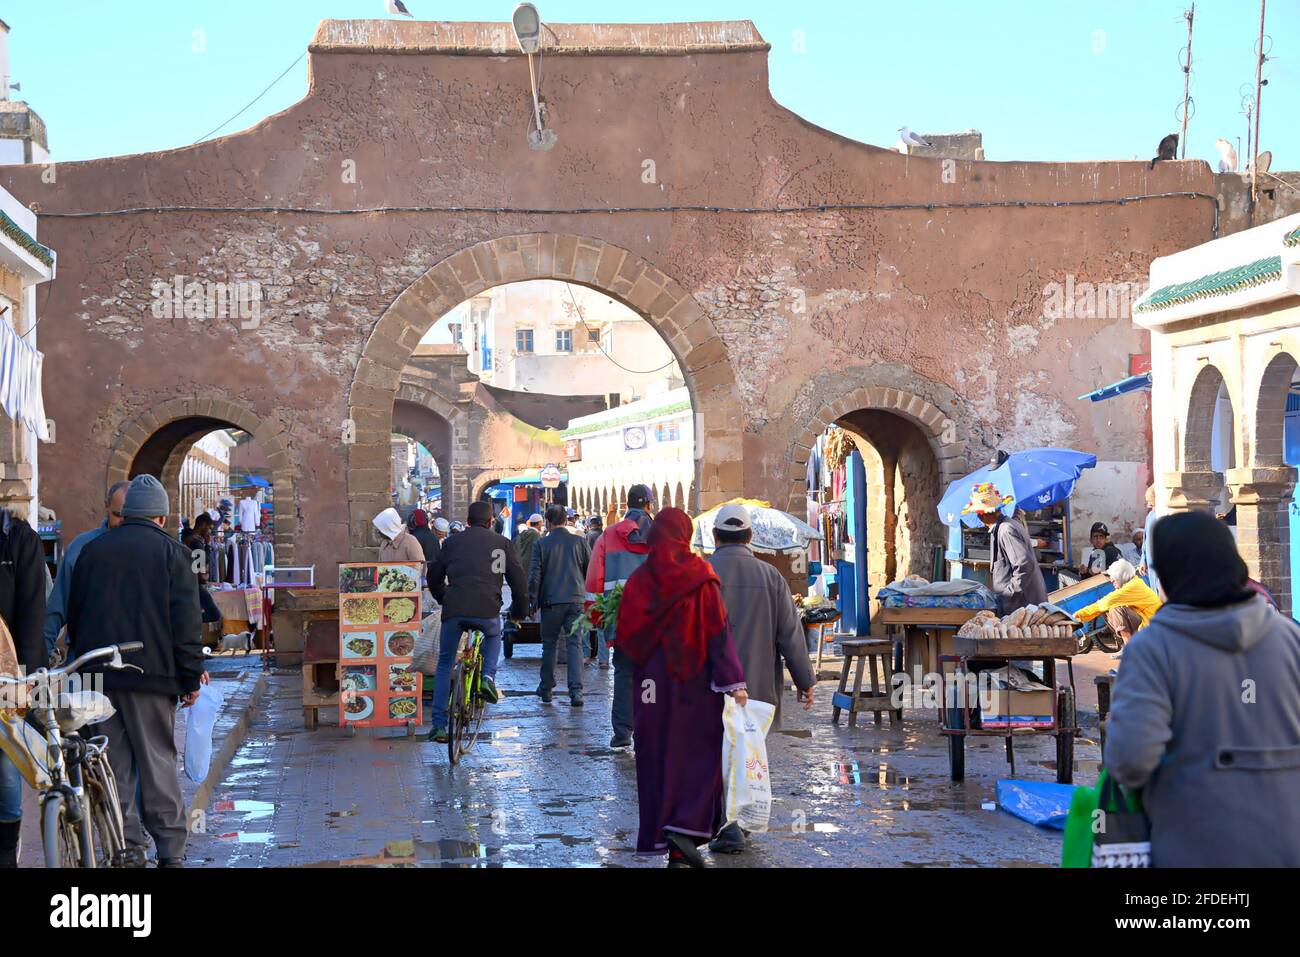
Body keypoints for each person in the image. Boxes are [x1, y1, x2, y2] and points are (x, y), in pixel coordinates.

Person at [1106, 510, 1300, 867]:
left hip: (1196, 843)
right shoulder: (1290, 637)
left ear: (1168, 574)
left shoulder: (1152, 650)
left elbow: (1130, 760)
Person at [65, 475, 204, 867]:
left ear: (125, 514)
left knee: (114, 768)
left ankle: (127, 848)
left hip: (97, 677)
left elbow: (75, 619)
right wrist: (190, 677)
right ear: (161, 516)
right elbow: (187, 626)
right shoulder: (174, 555)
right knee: (157, 761)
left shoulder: (92, 552)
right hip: (151, 678)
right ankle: (171, 852)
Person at [617, 508, 748, 867]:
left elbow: (625, 638)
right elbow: (718, 631)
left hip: (650, 689)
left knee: (658, 758)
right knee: (698, 757)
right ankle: (684, 832)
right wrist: (733, 680)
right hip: (695, 686)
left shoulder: (639, 582)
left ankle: (671, 842)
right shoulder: (701, 577)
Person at [705, 503, 815, 854]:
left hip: (709, 687)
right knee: (747, 753)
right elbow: (790, 635)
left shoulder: (702, 574)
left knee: (714, 755)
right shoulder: (771, 578)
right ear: (750, 537)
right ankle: (736, 823)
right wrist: (805, 680)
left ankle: (726, 822)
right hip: (757, 690)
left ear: (715, 536)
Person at [425, 501, 528, 743]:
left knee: (444, 665)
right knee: (494, 635)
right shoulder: (501, 545)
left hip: (455, 610)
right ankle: (487, 678)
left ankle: (439, 725)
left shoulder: (452, 543)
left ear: (468, 522)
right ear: (491, 521)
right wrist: (518, 611)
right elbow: (518, 582)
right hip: (487, 609)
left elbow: (434, 576)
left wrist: (444, 598)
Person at [0, 506, 50, 867]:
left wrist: (26, 678)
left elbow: (33, 614)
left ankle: (6, 852)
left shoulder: (17, 539)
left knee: (4, 762)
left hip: (6, 675)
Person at [586, 483, 654, 747]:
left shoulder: (609, 535)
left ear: (627, 506)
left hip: (621, 617)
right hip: (654, 619)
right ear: (649, 505)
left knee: (624, 672)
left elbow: (594, 580)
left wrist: (595, 616)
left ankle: (622, 732)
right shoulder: (662, 536)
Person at [44, 480, 130, 659]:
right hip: (86, 659)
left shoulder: (145, 550)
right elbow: (58, 607)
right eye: (117, 514)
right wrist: (41, 658)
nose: (122, 522)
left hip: (132, 660)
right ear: (106, 506)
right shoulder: (81, 547)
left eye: (128, 516)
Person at [529, 504, 591, 706]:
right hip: (575, 600)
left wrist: (532, 601)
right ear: (566, 521)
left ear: (547, 522)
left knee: (549, 645)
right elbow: (588, 570)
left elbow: (534, 576)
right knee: (575, 644)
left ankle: (546, 688)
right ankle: (576, 691)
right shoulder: (579, 542)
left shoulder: (541, 544)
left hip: (551, 601)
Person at [964, 483, 1047, 615]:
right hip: (1019, 604)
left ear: (983, 515)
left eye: (977, 514)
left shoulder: (1006, 530)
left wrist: (1008, 593)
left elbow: (1024, 565)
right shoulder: (1004, 527)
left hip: (1021, 605)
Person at [1074, 559, 1162, 656]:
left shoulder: (1132, 587)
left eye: (1113, 577)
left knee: (1115, 609)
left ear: (1121, 576)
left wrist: (1077, 616)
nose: (1111, 580)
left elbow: (1104, 603)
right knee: (1108, 609)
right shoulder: (1134, 583)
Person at [183, 511, 224, 630]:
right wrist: (207, 546)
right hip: (195, 585)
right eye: (210, 528)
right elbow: (200, 569)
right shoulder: (196, 543)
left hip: (189, 583)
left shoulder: (189, 539)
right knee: (214, 614)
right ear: (203, 525)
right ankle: (187, 622)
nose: (210, 532)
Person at [514, 513, 543, 582]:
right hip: (532, 571)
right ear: (539, 523)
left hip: (520, 570)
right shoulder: (536, 536)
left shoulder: (520, 535)